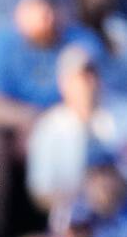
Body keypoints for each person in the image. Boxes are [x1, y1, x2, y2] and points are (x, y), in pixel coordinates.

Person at [0, 0, 104, 236]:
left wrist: (45, 126)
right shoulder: (0, 43)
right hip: (13, 129)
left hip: (66, 125)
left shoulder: (80, 40)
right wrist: (29, 119)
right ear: (19, 15)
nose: (47, 18)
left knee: (80, 135)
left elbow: (89, 94)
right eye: (39, 11)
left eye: (52, 11)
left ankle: (75, 230)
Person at [26, 44, 127, 216]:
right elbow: (40, 192)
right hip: (76, 225)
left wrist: (116, 188)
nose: (89, 82)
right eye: (81, 76)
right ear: (64, 83)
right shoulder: (49, 127)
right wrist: (84, 198)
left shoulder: (123, 113)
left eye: (93, 73)